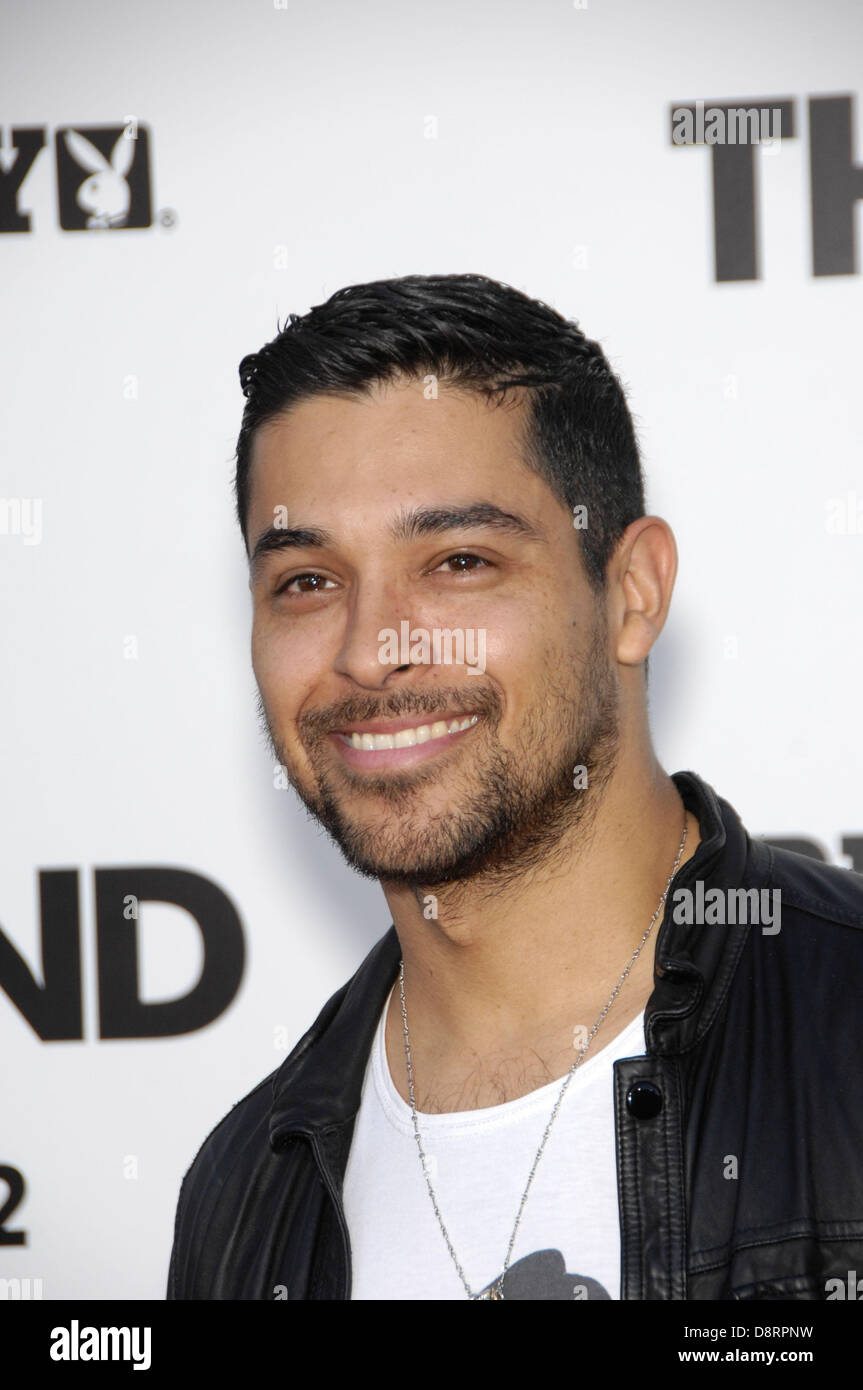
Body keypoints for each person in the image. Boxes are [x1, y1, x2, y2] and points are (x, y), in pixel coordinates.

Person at [167, 274, 863, 1301]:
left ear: (629, 595)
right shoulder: (245, 1193)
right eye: (307, 581)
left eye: (456, 560)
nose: (370, 649)